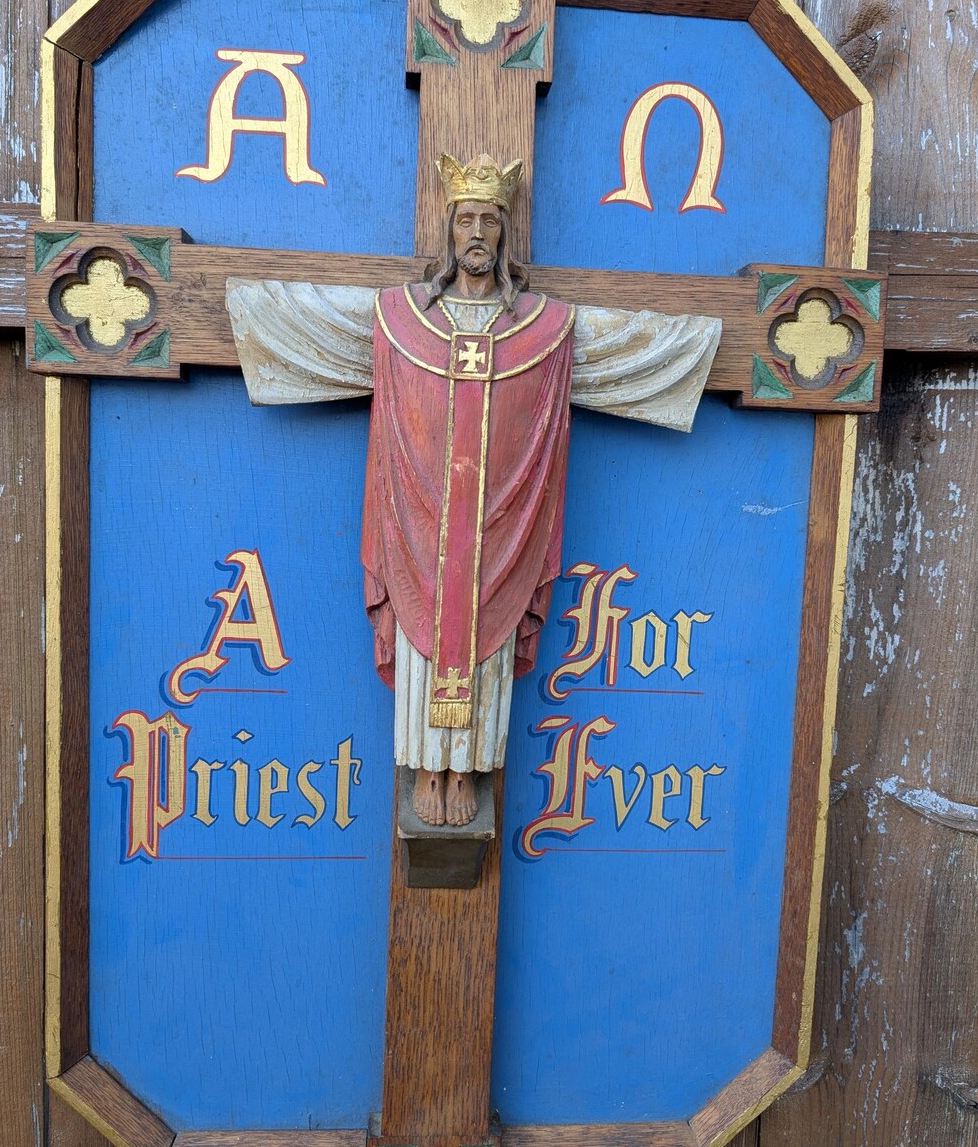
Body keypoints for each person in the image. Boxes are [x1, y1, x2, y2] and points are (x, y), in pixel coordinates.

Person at [227, 153, 722, 827]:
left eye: (490, 220)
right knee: (423, 631)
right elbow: (319, 323)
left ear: (505, 232)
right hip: (422, 522)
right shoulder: (401, 320)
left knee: (486, 635)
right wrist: (246, 304)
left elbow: (623, 347)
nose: (478, 233)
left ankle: (466, 771)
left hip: (496, 527)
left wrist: (695, 342)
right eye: (466, 220)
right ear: (450, 230)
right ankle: (427, 767)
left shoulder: (543, 331)